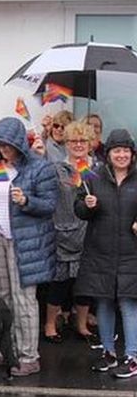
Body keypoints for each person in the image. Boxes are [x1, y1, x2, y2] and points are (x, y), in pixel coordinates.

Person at [0, 117, 59, 377]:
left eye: (8, 146)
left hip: (27, 242)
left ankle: (28, 356)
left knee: (24, 300)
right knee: (0, 298)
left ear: (19, 143)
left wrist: (27, 201)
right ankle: (5, 350)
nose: (4, 150)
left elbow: (49, 204)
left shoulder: (40, 168)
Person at [74, 129, 137, 379]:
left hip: (131, 253)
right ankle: (109, 353)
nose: (121, 155)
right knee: (103, 301)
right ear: (108, 154)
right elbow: (79, 208)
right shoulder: (92, 176)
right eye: (116, 150)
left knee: (128, 303)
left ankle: (132, 356)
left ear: (132, 154)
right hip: (99, 252)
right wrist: (87, 206)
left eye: (125, 150)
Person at [44, 121, 99, 347]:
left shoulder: (97, 170)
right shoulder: (57, 169)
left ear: (90, 143)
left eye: (82, 140)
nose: (78, 145)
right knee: (60, 283)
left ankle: (82, 324)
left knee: (85, 282)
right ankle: (49, 324)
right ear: (66, 144)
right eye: (73, 141)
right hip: (63, 233)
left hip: (91, 234)